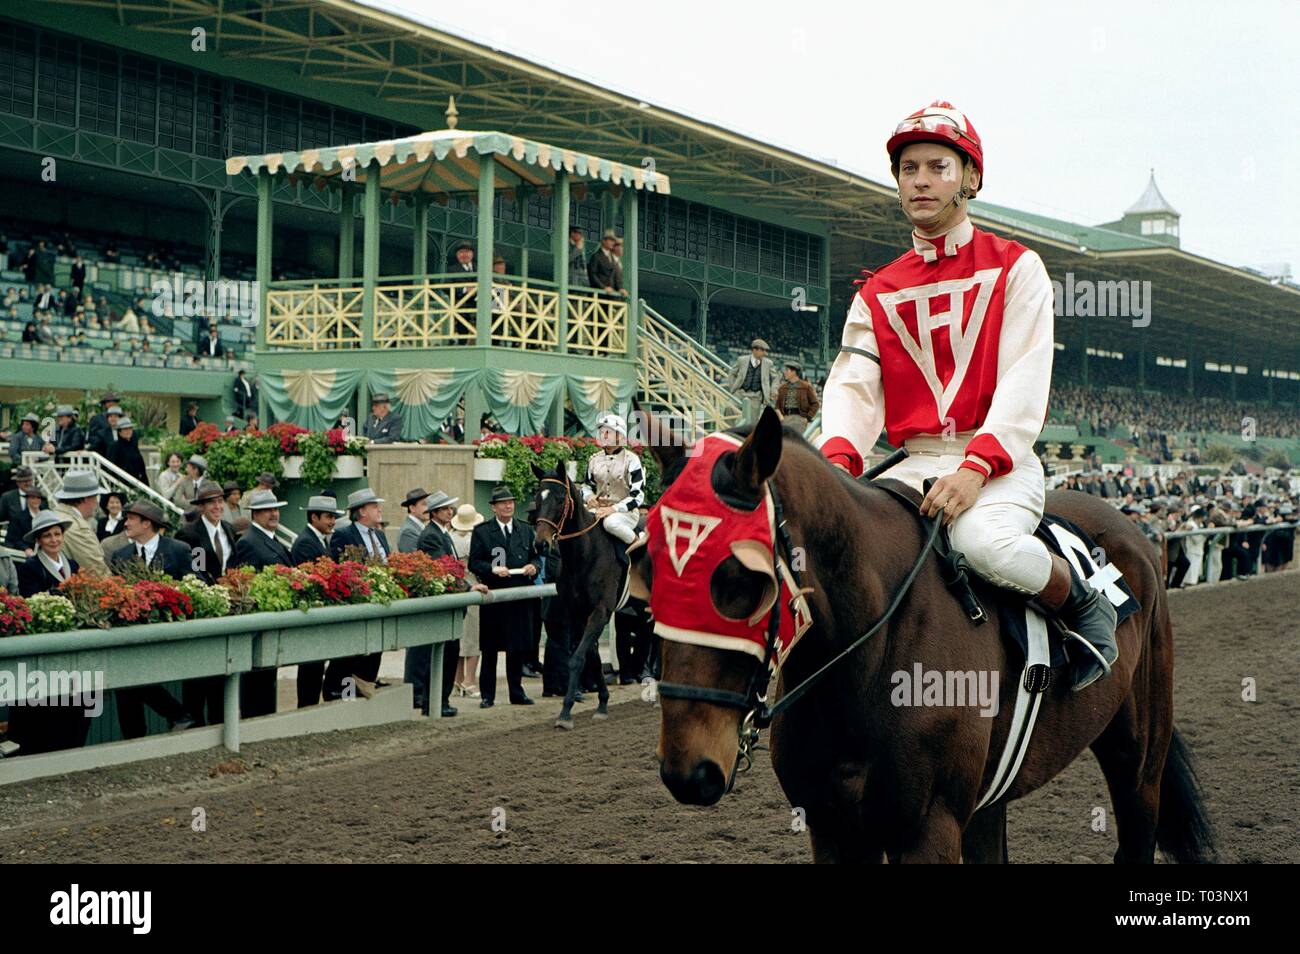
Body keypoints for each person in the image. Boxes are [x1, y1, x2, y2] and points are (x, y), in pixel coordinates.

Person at [817, 100, 1116, 691]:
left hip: (997, 462)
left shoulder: (1017, 267)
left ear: (971, 177)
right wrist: (838, 471)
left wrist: (977, 469)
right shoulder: (876, 290)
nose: (920, 181)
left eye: (937, 166)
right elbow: (852, 387)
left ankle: (1082, 603)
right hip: (910, 465)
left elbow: (1025, 379)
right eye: (908, 169)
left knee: (984, 544)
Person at [107, 501, 196, 738]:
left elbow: (193, 586)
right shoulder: (120, 555)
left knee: (129, 680)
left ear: (147, 524)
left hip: (167, 634)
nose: (125, 523)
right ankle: (137, 738)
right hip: (131, 634)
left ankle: (178, 714)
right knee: (125, 681)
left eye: (131, 519)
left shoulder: (179, 549)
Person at [8, 511, 92, 755]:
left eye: (57, 534)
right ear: (39, 540)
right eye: (48, 536)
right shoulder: (30, 568)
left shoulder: (73, 565)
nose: (54, 540)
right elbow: (32, 602)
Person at [469, 485, 538, 707]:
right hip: (495, 597)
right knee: (490, 649)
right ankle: (487, 695)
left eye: (511, 502)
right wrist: (491, 569)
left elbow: (537, 557)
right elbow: (474, 562)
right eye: (503, 503)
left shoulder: (525, 530)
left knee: (516, 648)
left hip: (519, 597)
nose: (508, 506)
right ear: (494, 507)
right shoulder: (482, 531)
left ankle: (516, 692)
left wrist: (533, 567)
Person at [174, 480, 236, 725]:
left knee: (221, 673)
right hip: (202, 611)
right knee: (198, 677)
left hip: (227, 610)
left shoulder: (229, 530)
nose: (217, 506)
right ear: (201, 506)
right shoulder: (190, 534)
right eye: (212, 502)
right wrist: (212, 590)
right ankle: (195, 725)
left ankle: (221, 725)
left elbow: (233, 566)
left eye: (220, 501)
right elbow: (194, 572)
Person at [406, 489, 472, 717]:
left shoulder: (441, 533)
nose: (450, 511)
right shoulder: (432, 535)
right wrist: (470, 587)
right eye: (445, 509)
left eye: (450, 507)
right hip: (442, 605)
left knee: (449, 653)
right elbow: (443, 569)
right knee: (442, 654)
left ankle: (439, 700)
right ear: (434, 513)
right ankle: (435, 702)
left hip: (450, 603)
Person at [230, 488, 292, 717]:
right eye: (267, 511)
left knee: (268, 677)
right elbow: (245, 583)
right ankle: (253, 722)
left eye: (275, 509)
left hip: (271, 622)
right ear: (255, 514)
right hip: (258, 623)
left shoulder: (270, 539)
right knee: (257, 678)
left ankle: (264, 721)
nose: (274, 514)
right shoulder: (249, 541)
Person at [324, 488, 391, 700]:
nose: (379, 510)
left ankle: (363, 685)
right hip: (356, 603)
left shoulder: (379, 534)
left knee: (373, 650)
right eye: (374, 506)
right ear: (361, 511)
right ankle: (340, 692)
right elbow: (340, 568)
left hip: (379, 601)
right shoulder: (344, 535)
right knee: (349, 652)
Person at [289, 495, 344, 708]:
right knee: (311, 667)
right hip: (312, 614)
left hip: (319, 612)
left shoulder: (319, 540)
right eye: (329, 517)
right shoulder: (305, 542)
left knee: (317, 665)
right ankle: (306, 708)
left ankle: (311, 706)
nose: (332, 522)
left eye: (333, 517)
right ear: (314, 517)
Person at [580, 412, 645, 548]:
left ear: (619, 436)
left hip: (625, 513)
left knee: (610, 523)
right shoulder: (594, 460)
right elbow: (586, 486)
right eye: (602, 432)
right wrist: (589, 496)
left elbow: (637, 496)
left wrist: (613, 509)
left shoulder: (632, 460)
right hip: (598, 510)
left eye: (608, 432)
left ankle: (639, 547)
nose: (603, 436)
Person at [449, 504, 484, 698]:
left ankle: (457, 679)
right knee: (473, 637)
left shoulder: (450, 537)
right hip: (471, 584)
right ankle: (470, 680)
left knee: (460, 636)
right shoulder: (473, 540)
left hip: (457, 586)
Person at [52, 470, 109, 577]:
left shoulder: (54, 515)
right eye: (95, 497)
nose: (97, 502)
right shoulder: (76, 527)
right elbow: (96, 570)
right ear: (86, 499)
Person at [727, 338, 780, 425]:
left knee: (751, 422)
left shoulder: (768, 363)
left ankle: (746, 437)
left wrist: (774, 390)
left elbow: (775, 378)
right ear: (754, 350)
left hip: (755, 396)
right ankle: (730, 432)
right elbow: (732, 373)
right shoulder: (742, 360)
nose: (765, 353)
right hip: (740, 393)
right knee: (728, 408)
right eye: (763, 350)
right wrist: (733, 387)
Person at [774, 363, 821, 431]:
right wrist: (781, 417)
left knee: (796, 440)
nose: (785, 372)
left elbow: (815, 404)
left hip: (800, 419)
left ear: (794, 372)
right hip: (785, 418)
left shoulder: (806, 387)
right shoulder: (782, 388)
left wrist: (807, 418)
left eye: (787, 370)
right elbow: (777, 406)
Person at [108, 417, 150, 487]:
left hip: (137, 483)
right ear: (119, 431)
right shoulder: (114, 446)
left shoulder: (133, 446)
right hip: (122, 484)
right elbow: (112, 468)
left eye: (130, 429)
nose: (128, 431)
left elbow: (141, 467)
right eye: (125, 429)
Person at [5, 484, 47, 552]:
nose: (36, 500)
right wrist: (25, 548)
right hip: (25, 553)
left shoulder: (46, 515)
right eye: (33, 498)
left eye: (38, 498)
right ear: (27, 499)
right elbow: (14, 539)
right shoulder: (18, 517)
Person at [587, 229, 624, 295]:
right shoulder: (596, 256)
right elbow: (592, 275)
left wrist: (620, 288)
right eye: (611, 240)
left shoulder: (613, 258)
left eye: (613, 241)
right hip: (599, 294)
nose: (613, 243)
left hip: (610, 295)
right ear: (604, 241)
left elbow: (616, 275)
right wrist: (603, 287)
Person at [398, 487, 431, 554]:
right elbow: (415, 561)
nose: (428, 508)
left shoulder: (419, 527)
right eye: (424, 504)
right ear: (412, 508)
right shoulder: (409, 532)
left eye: (428, 504)